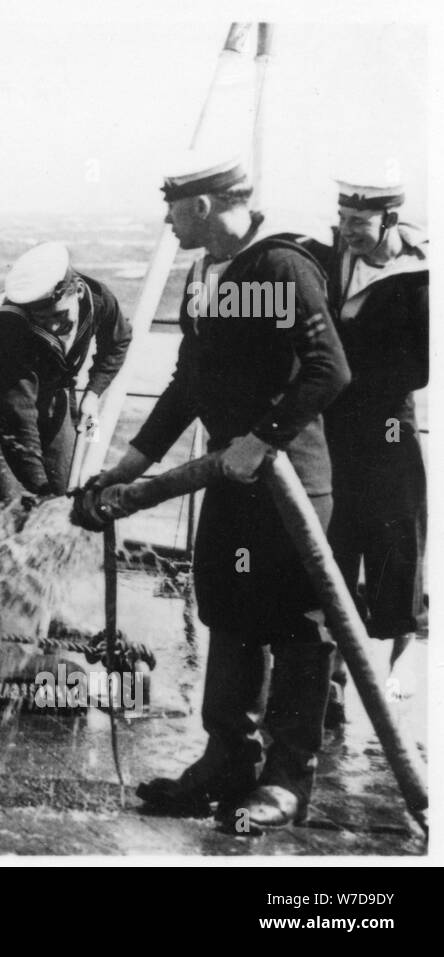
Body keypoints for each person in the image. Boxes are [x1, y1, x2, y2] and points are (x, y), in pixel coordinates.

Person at [74, 153, 351, 831]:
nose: (167, 218)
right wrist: (126, 466)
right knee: (228, 611)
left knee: (296, 627)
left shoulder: (279, 266)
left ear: (202, 205)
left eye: (173, 206)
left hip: (289, 487)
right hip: (230, 483)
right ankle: (227, 760)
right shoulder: (208, 273)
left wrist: (266, 437)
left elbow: (329, 370)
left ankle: (285, 782)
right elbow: (187, 388)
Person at [311, 175, 428, 724]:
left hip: (387, 431)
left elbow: (423, 366)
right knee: (333, 549)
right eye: (343, 219)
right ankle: (331, 683)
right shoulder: (335, 256)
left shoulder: (421, 273)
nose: (348, 230)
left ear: (388, 221)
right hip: (336, 431)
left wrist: (350, 378)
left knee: (395, 554)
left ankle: (396, 688)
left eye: (359, 222)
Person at [0, 241, 131, 524]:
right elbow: (19, 421)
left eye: (59, 316)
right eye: (43, 321)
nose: (54, 327)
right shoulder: (5, 329)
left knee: (65, 485)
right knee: (5, 508)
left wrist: (93, 393)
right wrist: (42, 493)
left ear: (77, 291)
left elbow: (118, 341)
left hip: (56, 394)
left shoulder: (99, 298)